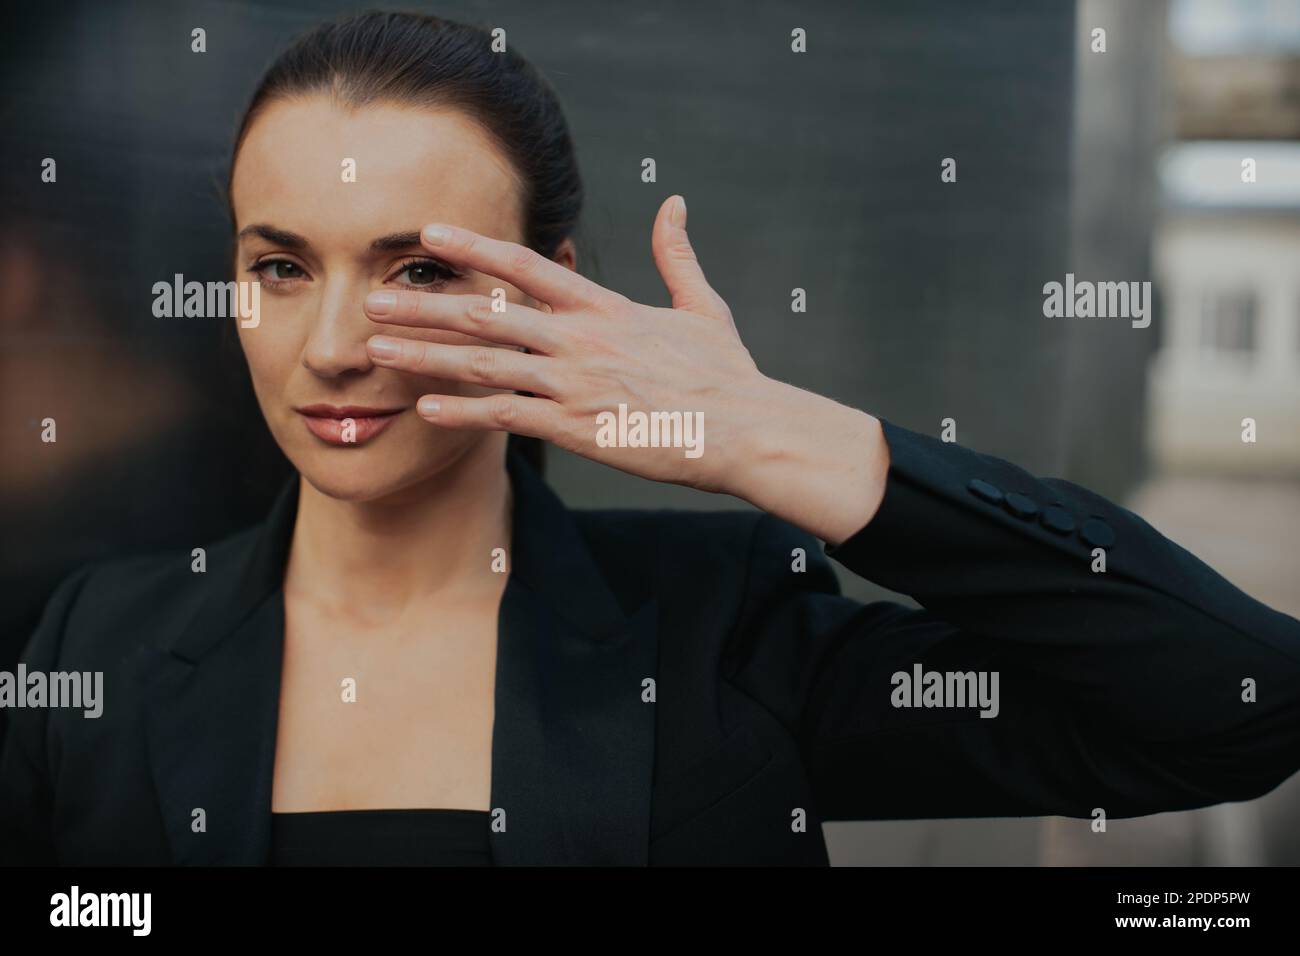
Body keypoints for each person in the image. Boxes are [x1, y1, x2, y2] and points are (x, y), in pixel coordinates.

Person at [2, 11, 1298, 866]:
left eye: (421, 274)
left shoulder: (720, 632)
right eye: (281, 267)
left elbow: (1234, 705)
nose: (334, 344)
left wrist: (780, 436)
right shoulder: (99, 650)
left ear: (551, 286)